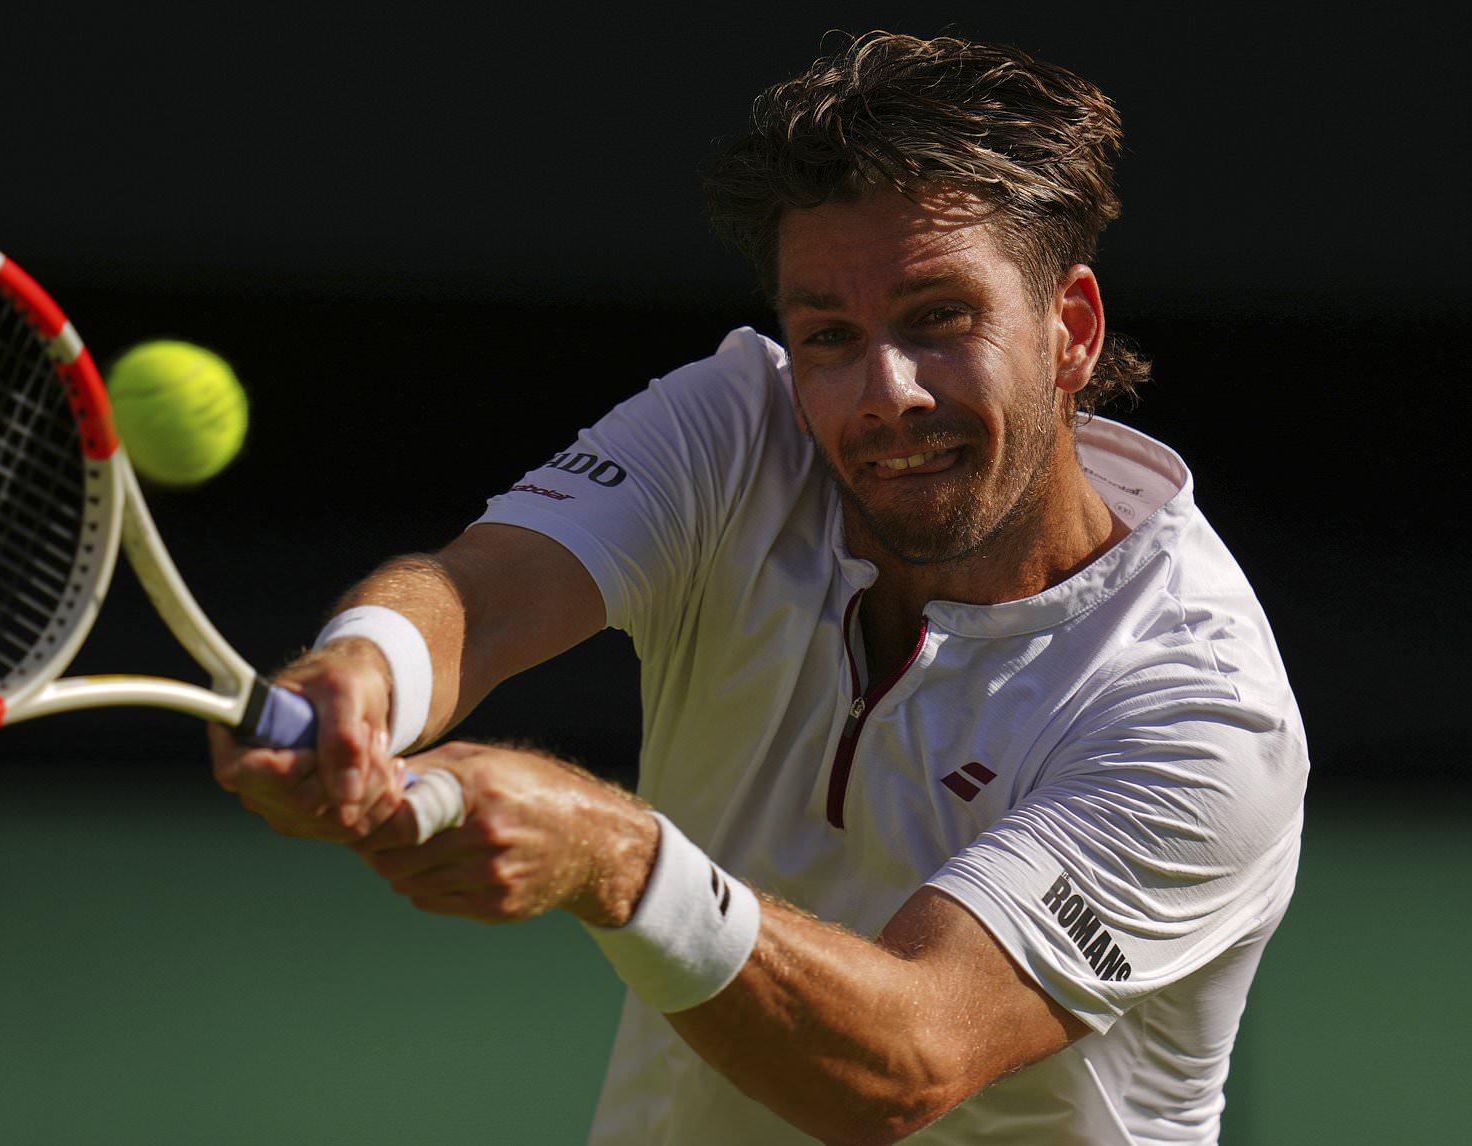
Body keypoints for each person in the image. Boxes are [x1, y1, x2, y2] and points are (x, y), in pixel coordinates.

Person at [208, 30, 1307, 1145]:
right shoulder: (739, 426)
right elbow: (480, 599)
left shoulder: (1200, 708)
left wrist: (616, 856)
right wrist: (368, 670)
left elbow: (905, 1062)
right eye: (829, 335)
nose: (886, 393)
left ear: (1069, 330)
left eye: (939, 318)